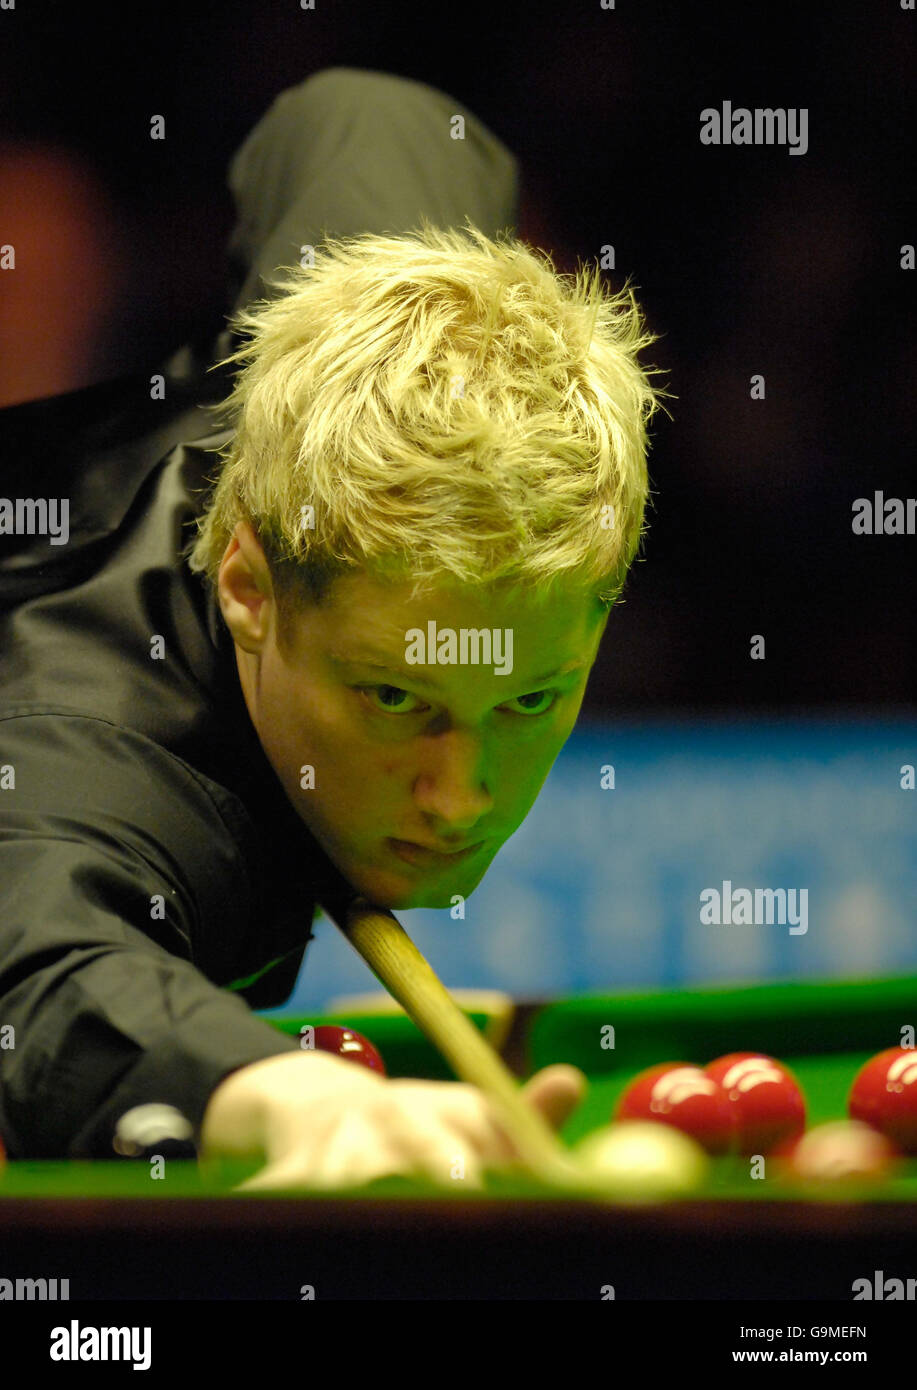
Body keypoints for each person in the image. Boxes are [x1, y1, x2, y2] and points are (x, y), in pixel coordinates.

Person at [0, 68, 665, 1189]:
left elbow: (360, 111)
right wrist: (267, 1088)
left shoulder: (361, 314)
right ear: (249, 586)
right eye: (394, 698)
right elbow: (43, 961)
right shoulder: (108, 744)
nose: (459, 797)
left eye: (528, 701)